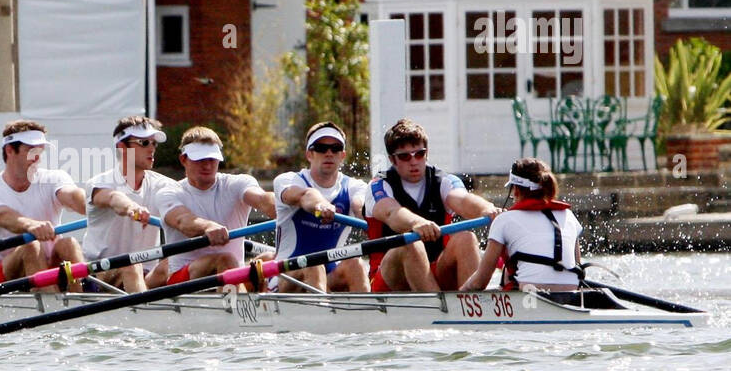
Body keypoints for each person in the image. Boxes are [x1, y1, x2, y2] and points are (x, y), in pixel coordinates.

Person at [365, 119, 500, 292]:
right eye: (405, 156)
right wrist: (416, 223)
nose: (414, 162)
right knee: (411, 242)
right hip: (387, 278)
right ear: (392, 159)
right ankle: (438, 308)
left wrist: (487, 209)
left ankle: (470, 307)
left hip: (435, 270)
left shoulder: (444, 181)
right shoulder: (379, 185)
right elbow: (391, 213)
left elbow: (462, 200)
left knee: (466, 239)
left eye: (419, 154)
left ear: (426, 153)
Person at [0, 120, 87, 292]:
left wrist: (94, 206)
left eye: (40, 150)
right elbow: (2, 216)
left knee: (68, 244)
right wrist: (31, 225)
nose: (38, 156)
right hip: (5, 278)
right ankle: (50, 308)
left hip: (49, 267)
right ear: (10, 151)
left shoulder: (54, 178)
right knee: (31, 246)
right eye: (30, 150)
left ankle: (80, 303)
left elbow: (71, 195)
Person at [155, 126, 276, 290]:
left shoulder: (236, 183)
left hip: (233, 274)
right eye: (200, 160)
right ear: (183, 159)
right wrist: (208, 227)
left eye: (212, 159)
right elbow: (183, 221)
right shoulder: (169, 192)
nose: (207, 165)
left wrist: (283, 206)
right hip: (183, 280)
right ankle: (236, 311)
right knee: (225, 260)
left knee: (271, 259)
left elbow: (263, 199)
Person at [460, 158, 584, 292]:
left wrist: (457, 295)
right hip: (571, 294)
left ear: (516, 190)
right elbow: (577, 268)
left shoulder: (504, 221)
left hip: (527, 299)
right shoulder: (569, 216)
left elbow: (479, 283)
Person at [273, 122, 370, 293]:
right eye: (321, 148)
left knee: (357, 264)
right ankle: (324, 314)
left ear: (343, 155)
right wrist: (321, 205)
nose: (329, 153)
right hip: (286, 276)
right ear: (309, 154)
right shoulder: (288, 180)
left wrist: (366, 219)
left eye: (335, 148)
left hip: (331, 273)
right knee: (313, 264)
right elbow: (305, 196)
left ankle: (366, 316)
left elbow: (359, 204)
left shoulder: (354, 186)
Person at [82, 116, 174, 291]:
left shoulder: (163, 185)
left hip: (146, 273)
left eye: (154, 143)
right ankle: (143, 314)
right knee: (131, 265)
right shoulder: (100, 183)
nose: (152, 149)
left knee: (175, 262)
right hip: (101, 272)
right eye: (144, 143)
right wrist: (132, 208)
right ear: (122, 147)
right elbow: (114, 198)